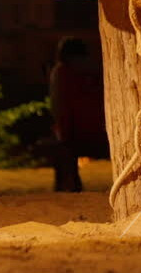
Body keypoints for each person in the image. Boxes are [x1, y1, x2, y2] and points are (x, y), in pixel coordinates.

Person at [48, 37, 108, 192]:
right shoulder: (98, 70)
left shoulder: (62, 72)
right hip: (102, 129)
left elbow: (60, 105)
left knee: (62, 151)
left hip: (75, 130)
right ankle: (70, 183)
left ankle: (68, 185)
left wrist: (61, 130)